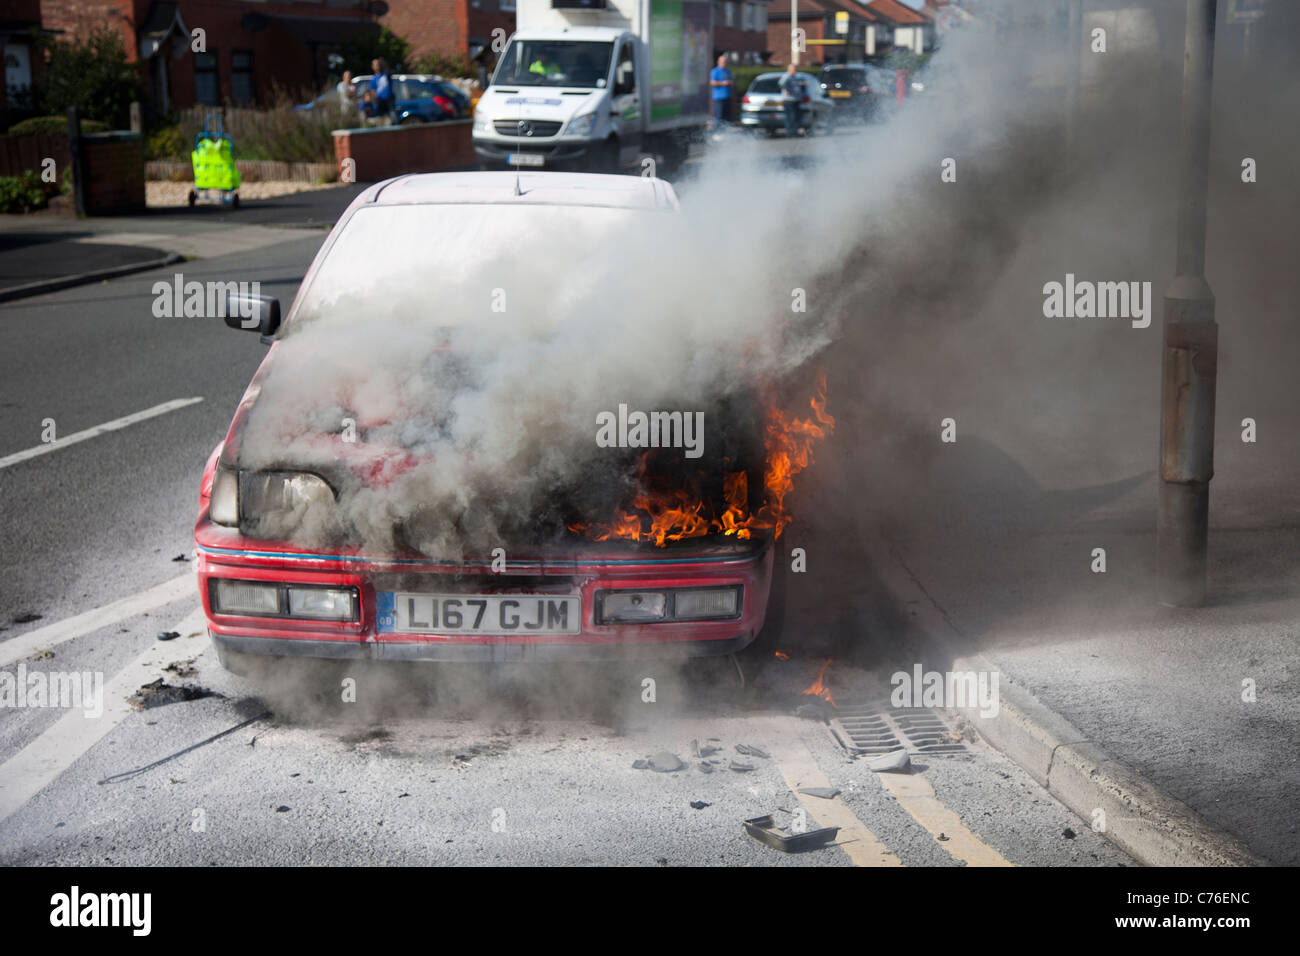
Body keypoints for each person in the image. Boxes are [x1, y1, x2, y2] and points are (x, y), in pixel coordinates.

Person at [780, 63, 805, 137]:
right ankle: (790, 132)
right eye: (794, 69)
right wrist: (786, 90)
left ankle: (794, 131)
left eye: (796, 69)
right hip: (789, 100)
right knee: (790, 117)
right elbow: (781, 83)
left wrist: (802, 84)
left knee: (797, 116)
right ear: (789, 70)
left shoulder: (794, 77)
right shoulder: (786, 76)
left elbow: (795, 85)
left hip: (796, 99)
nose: (795, 71)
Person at [709, 54, 733, 129]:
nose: (724, 63)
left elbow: (732, 83)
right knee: (718, 117)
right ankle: (716, 132)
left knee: (727, 117)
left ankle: (725, 132)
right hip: (719, 98)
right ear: (718, 62)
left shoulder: (727, 71)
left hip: (727, 97)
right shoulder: (715, 71)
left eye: (725, 62)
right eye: (723, 62)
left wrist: (730, 83)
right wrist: (723, 83)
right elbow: (712, 82)